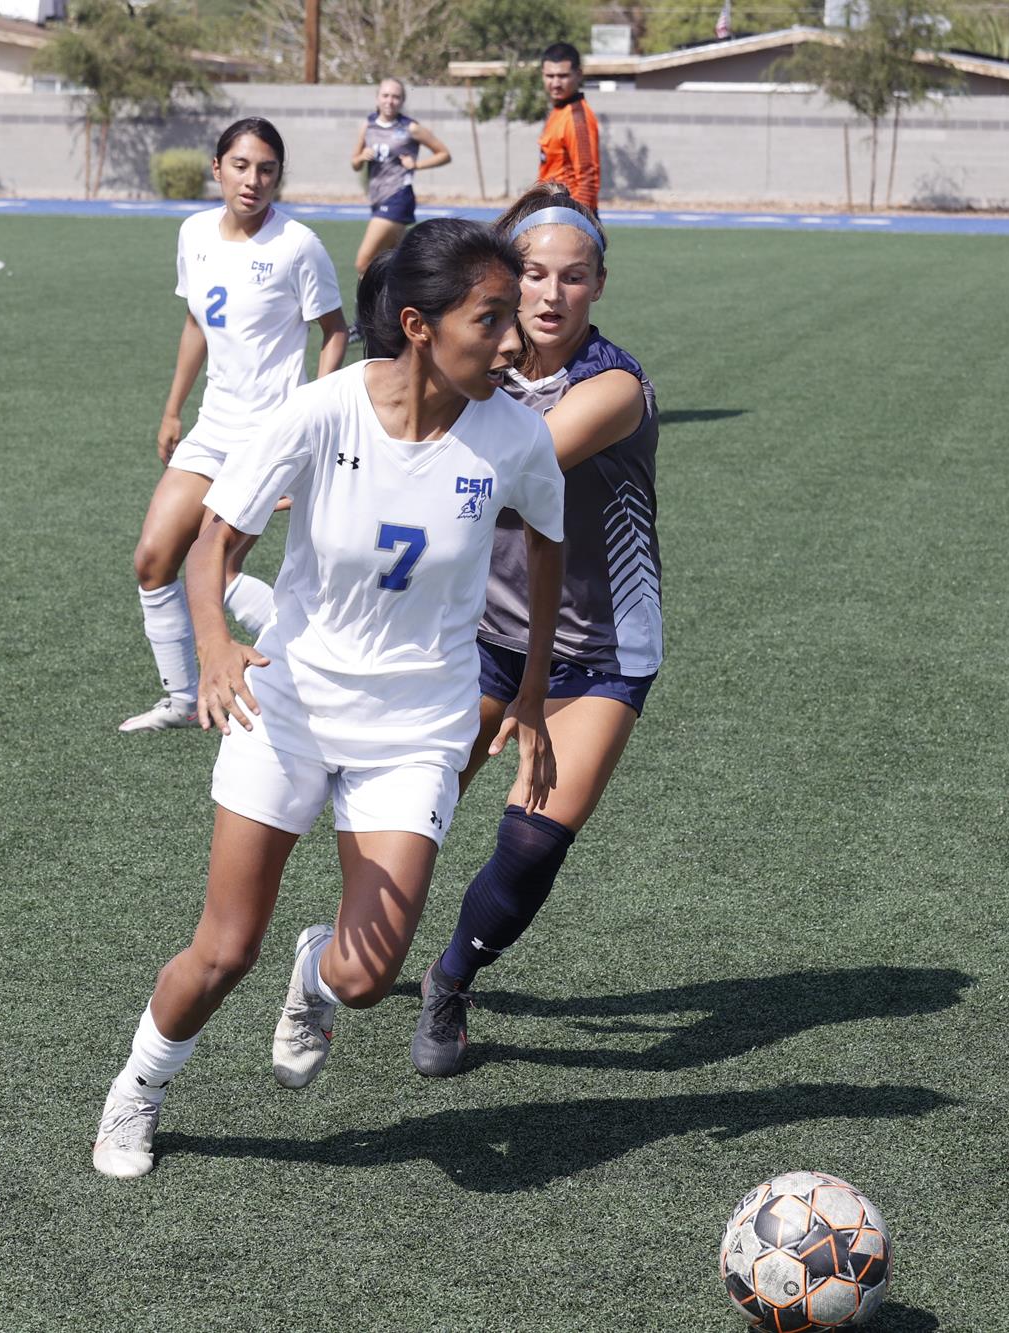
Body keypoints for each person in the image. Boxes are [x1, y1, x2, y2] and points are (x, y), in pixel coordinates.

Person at [92, 220, 568, 1179]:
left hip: (417, 727)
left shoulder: (515, 434)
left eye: (514, 318)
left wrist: (532, 684)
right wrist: (218, 643)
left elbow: (549, 547)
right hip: (293, 702)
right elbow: (213, 537)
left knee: (363, 975)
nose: (514, 342)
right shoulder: (320, 413)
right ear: (418, 325)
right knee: (224, 951)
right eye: (491, 318)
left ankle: (314, 971)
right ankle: (137, 1090)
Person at [409, 183, 662, 1078]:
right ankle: (355, 946)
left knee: (529, 840)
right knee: (415, 815)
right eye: (533, 275)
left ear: (599, 286)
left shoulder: (613, 387)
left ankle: (452, 979)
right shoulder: (478, 369)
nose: (552, 294)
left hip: (599, 652)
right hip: (485, 639)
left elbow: (518, 467)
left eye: (575, 277)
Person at [122, 116, 350, 734]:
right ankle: (178, 699)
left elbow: (335, 331)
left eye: (267, 169)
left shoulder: (296, 245)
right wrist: (173, 407)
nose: (253, 180)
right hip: (211, 427)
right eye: (241, 166)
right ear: (217, 168)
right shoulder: (194, 233)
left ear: (279, 176)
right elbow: (196, 323)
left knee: (215, 571)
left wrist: (309, 425)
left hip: (268, 437)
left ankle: (310, 665)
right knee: (152, 561)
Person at [349, 78, 451, 278]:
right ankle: (405, 299)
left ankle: (369, 307)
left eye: (396, 97)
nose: (390, 101)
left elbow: (444, 154)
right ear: (377, 98)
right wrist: (361, 157)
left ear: (402, 100)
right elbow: (355, 163)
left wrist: (417, 165)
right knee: (395, 263)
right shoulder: (368, 125)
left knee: (363, 263)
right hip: (377, 199)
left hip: (397, 197)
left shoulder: (410, 128)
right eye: (385, 95)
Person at [536, 43, 602, 214]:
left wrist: (577, 224)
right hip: (552, 212)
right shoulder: (559, 111)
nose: (555, 83)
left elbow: (587, 179)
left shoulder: (577, 117)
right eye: (550, 76)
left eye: (563, 76)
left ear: (578, 75)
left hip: (569, 217)